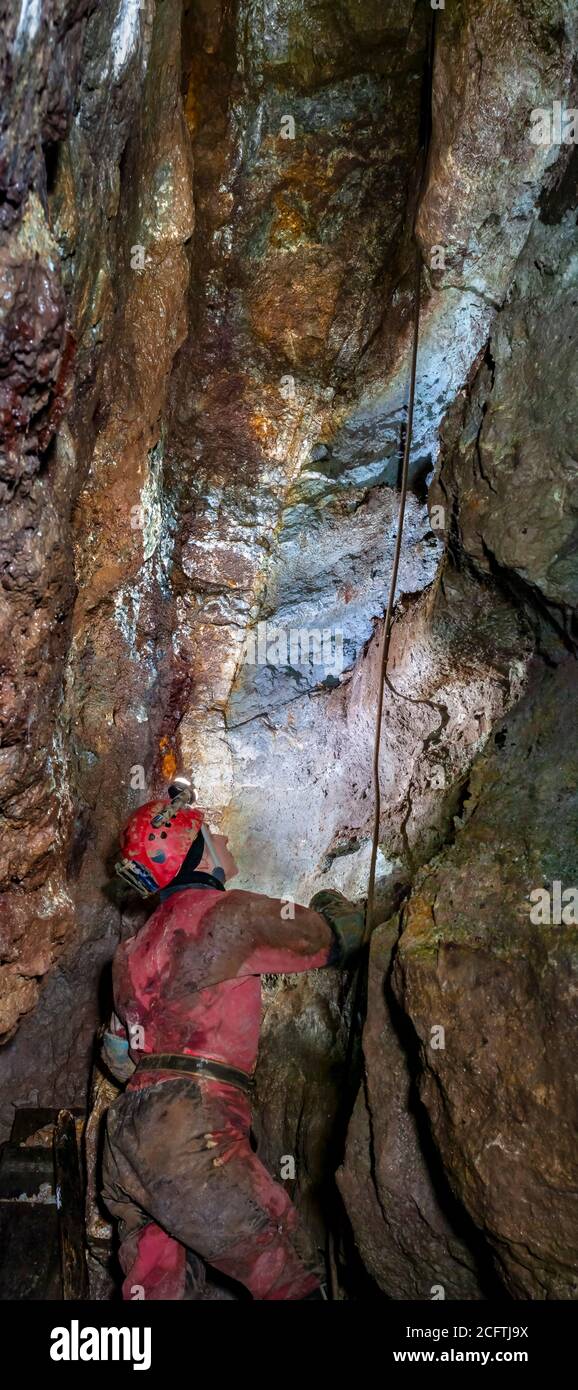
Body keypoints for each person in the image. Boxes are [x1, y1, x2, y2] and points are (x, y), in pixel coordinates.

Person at [101, 782, 366, 1301]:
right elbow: (335, 936)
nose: (220, 836)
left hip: (127, 1138)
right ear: (191, 849)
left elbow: (117, 1056)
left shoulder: (127, 953)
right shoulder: (228, 915)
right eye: (209, 831)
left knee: (159, 1290)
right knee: (287, 1269)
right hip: (191, 1131)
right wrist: (333, 902)